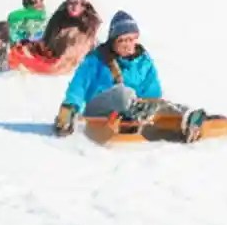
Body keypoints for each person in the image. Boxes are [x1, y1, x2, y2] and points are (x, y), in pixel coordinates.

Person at [52, 11, 210, 142]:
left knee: (157, 103)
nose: (128, 44)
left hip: (131, 114)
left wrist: (153, 110)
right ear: (113, 41)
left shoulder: (144, 62)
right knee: (122, 93)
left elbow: (152, 94)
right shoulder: (96, 59)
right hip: (99, 110)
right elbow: (78, 86)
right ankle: (137, 111)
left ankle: (187, 117)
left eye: (131, 39)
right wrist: (70, 108)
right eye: (122, 40)